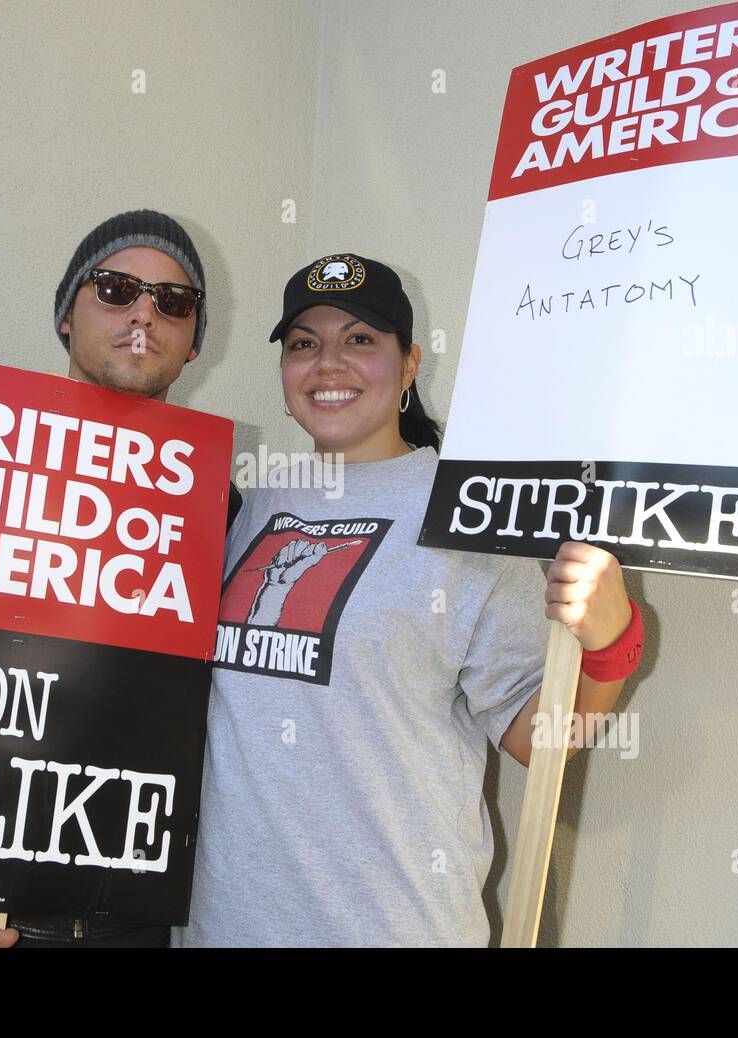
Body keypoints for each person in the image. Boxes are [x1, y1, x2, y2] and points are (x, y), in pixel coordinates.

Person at [174, 253, 645, 947]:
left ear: (410, 364)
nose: (328, 363)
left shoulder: (466, 518)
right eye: (304, 343)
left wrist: (613, 643)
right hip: (221, 929)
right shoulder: (251, 504)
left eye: (360, 339)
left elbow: (539, 741)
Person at [0, 208, 239, 948]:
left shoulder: (219, 509)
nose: (143, 314)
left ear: (194, 341)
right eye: (116, 287)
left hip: (117, 924)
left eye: (174, 300)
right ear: (67, 314)